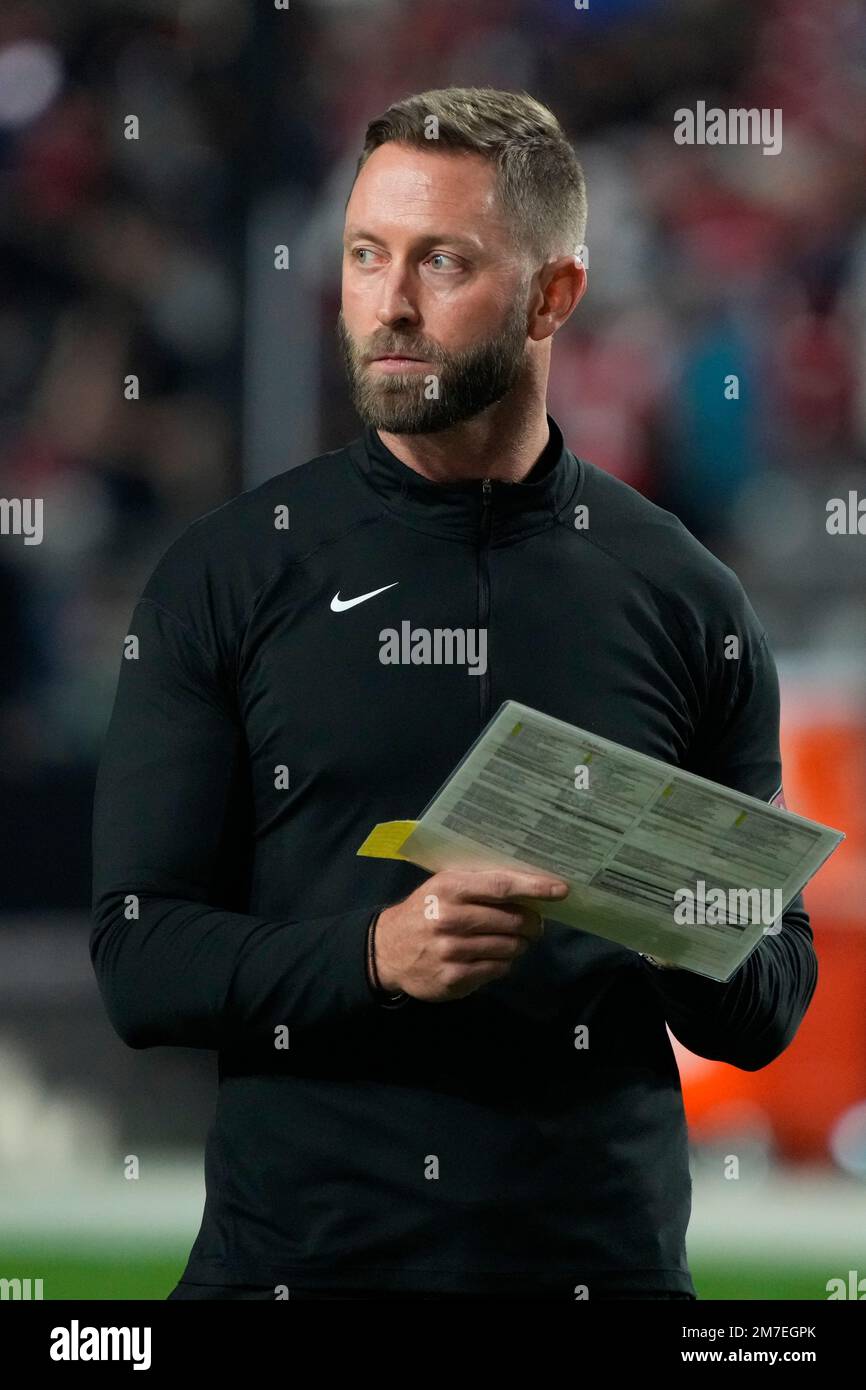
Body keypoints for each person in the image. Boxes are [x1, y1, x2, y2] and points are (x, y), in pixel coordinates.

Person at [91, 87, 816, 1301]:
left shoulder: (685, 598)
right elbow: (136, 955)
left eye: (443, 262)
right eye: (366, 255)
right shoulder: (230, 572)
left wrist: (651, 884)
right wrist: (374, 953)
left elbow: (764, 999)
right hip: (300, 1273)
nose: (389, 302)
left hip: (596, 1269)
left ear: (553, 296)